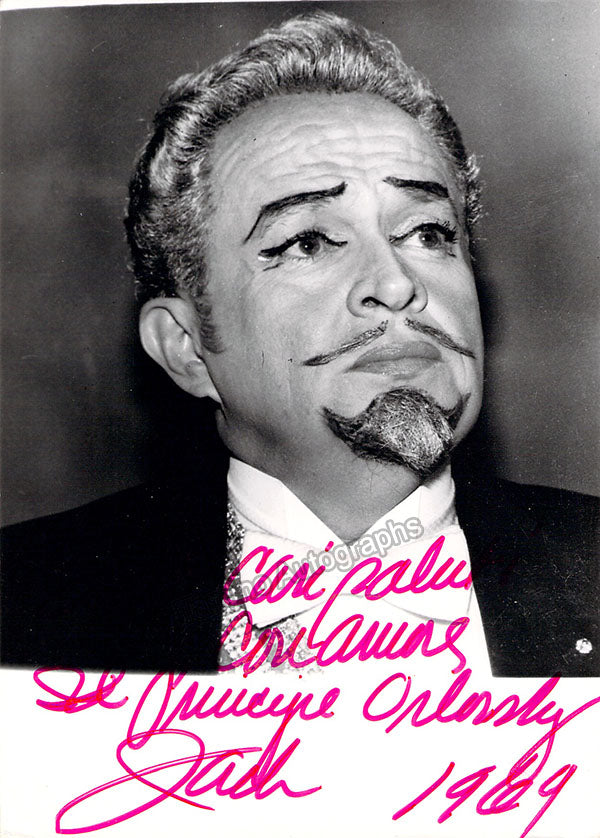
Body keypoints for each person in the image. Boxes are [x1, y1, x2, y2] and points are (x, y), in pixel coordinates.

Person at [1, 11, 597, 677]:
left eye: (427, 233)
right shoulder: (26, 604)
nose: (396, 283)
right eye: (308, 242)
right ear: (187, 347)